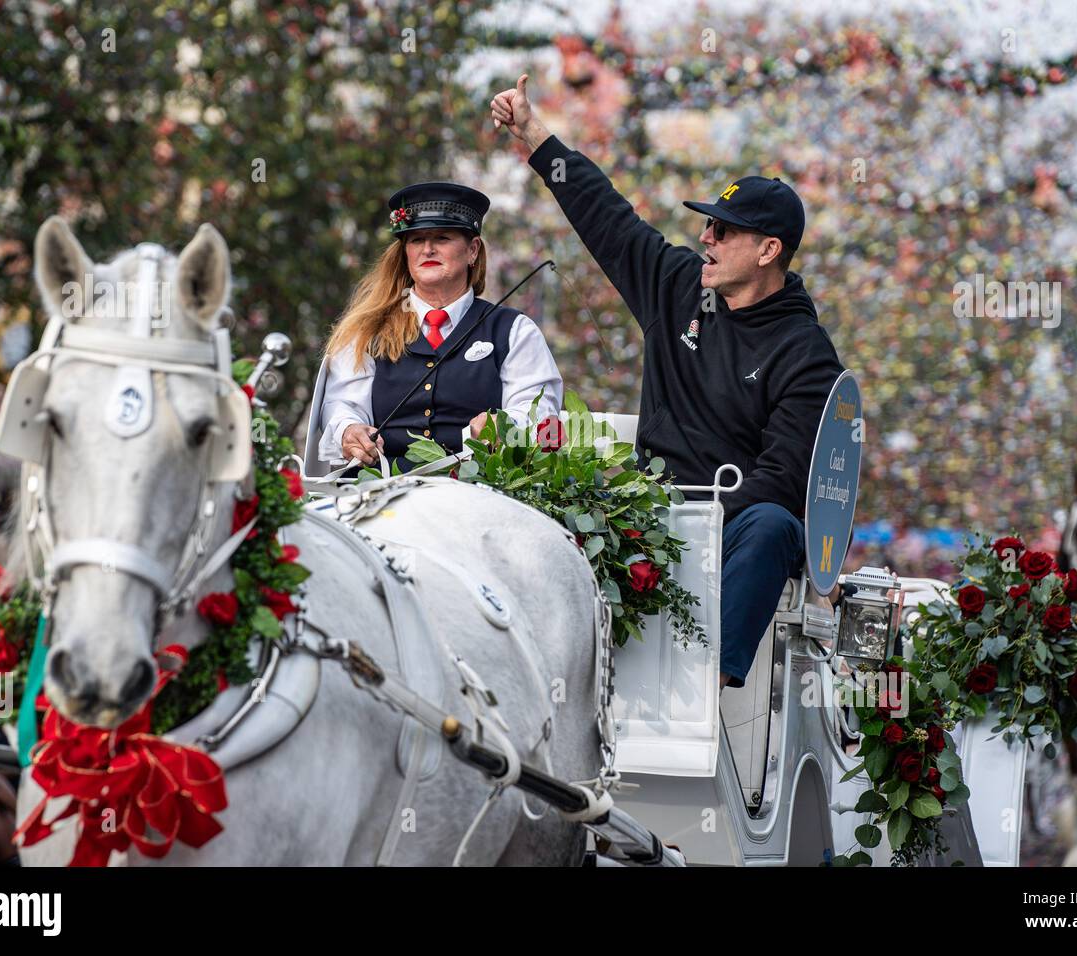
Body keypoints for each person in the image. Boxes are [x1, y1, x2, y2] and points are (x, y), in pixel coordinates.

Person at [491, 75, 844, 690]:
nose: (705, 238)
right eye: (708, 226)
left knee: (774, 527)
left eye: (723, 230)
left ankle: (707, 686)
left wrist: (689, 518)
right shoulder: (679, 286)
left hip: (727, 526)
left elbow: (783, 482)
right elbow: (608, 218)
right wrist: (533, 135)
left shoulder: (807, 354)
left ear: (768, 251)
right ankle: (528, 680)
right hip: (646, 508)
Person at [304, 181, 563, 475]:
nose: (427, 249)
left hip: (481, 492)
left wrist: (504, 426)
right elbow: (342, 404)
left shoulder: (514, 331)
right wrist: (349, 430)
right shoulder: (367, 330)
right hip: (379, 489)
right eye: (415, 240)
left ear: (473, 250)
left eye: (442, 238)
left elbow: (539, 411)